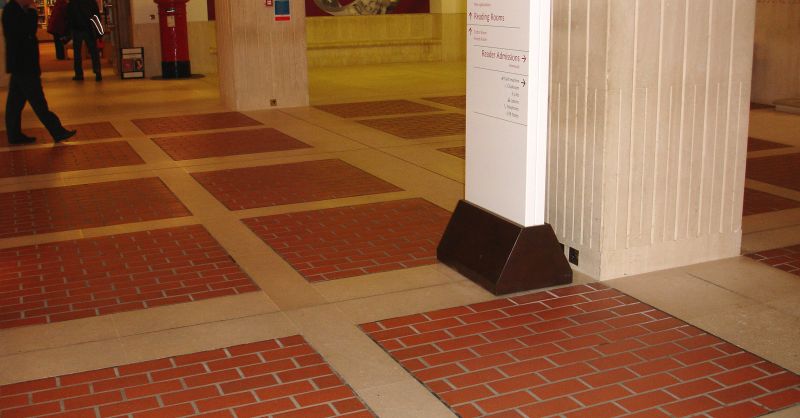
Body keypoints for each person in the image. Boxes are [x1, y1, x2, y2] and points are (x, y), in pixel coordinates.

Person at [2, 0, 77, 145]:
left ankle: (14, 134)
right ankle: (57, 131)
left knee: (15, 103)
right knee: (38, 101)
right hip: (23, 66)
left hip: (21, 65)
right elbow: (27, 30)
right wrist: (32, 12)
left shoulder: (15, 10)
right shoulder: (12, 11)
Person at [67, 0, 101, 81]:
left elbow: (69, 17)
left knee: (77, 53)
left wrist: (70, 29)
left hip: (77, 29)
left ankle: (79, 74)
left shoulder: (72, 3)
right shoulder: (91, 2)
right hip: (89, 29)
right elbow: (96, 15)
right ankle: (97, 71)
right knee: (93, 52)